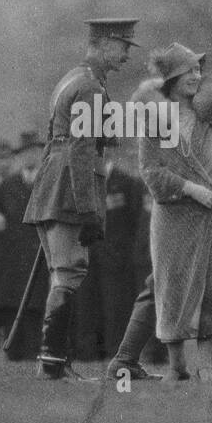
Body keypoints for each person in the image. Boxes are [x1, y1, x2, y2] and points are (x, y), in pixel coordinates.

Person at [23, 17, 140, 380]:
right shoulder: (89, 87)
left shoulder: (71, 79)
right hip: (68, 192)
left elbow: (51, 142)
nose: (125, 56)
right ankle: (53, 363)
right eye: (123, 47)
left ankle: (51, 362)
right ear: (104, 45)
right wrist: (88, 209)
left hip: (52, 189)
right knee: (69, 271)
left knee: (62, 271)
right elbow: (81, 151)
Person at [135, 44, 212, 380]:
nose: (197, 77)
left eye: (199, 71)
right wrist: (190, 188)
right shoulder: (156, 119)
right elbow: (150, 170)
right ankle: (177, 368)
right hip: (173, 217)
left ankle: (205, 366)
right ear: (172, 78)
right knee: (173, 288)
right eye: (190, 71)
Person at [0, 132, 47, 361]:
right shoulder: (8, 185)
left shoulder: (52, 182)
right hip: (12, 266)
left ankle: (36, 359)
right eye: (25, 152)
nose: (29, 156)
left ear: (41, 153)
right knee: (12, 314)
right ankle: (15, 359)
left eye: (34, 152)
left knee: (37, 313)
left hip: (40, 262)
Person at [75, 148, 149, 361]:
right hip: (87, 257)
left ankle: (114, 354)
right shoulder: (81, 182)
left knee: (115, 308)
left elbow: (136, 222)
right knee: (87, 305)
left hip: (116, 261)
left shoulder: (125, 183)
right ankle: (87, 355)